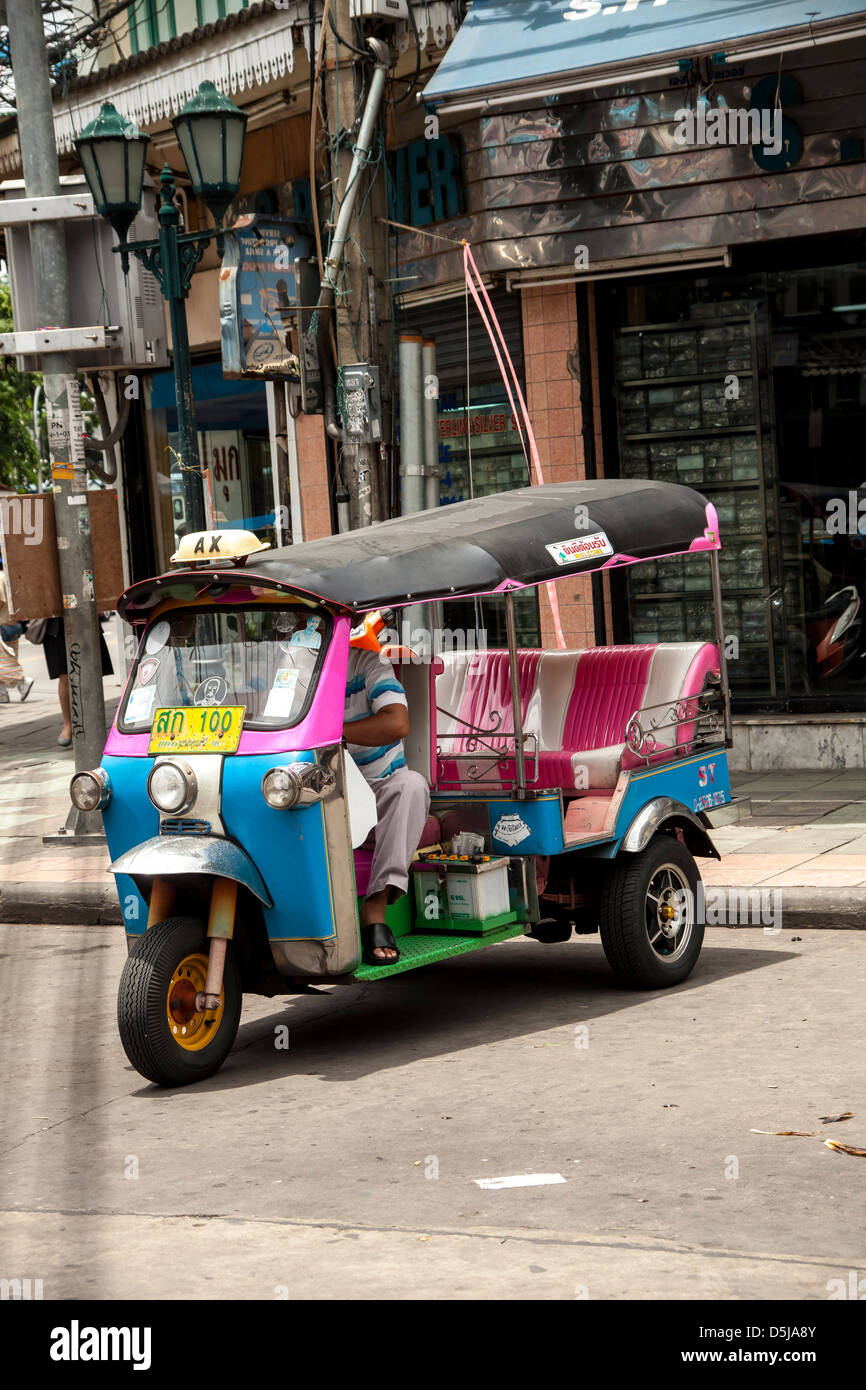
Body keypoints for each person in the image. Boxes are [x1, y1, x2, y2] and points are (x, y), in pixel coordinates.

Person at [344, 644, 430, 964]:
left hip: (378, 796)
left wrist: (335, 733)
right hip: (318, 790)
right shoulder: (287, 669)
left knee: (411, 785)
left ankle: (376, 908)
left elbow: (397, 722)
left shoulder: (368, 664)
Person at [43, 613, 113, 746]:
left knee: (92, 672)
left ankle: (92, 722)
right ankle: (68, 725)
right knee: (64, 676)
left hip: (85, 618)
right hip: (57, 625)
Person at [0, 564, 33, 703]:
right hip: (13, 623)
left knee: (4, 661)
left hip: (3, 624)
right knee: (8, 659)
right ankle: (3, 694)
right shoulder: (6, 576)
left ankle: (22, 681)